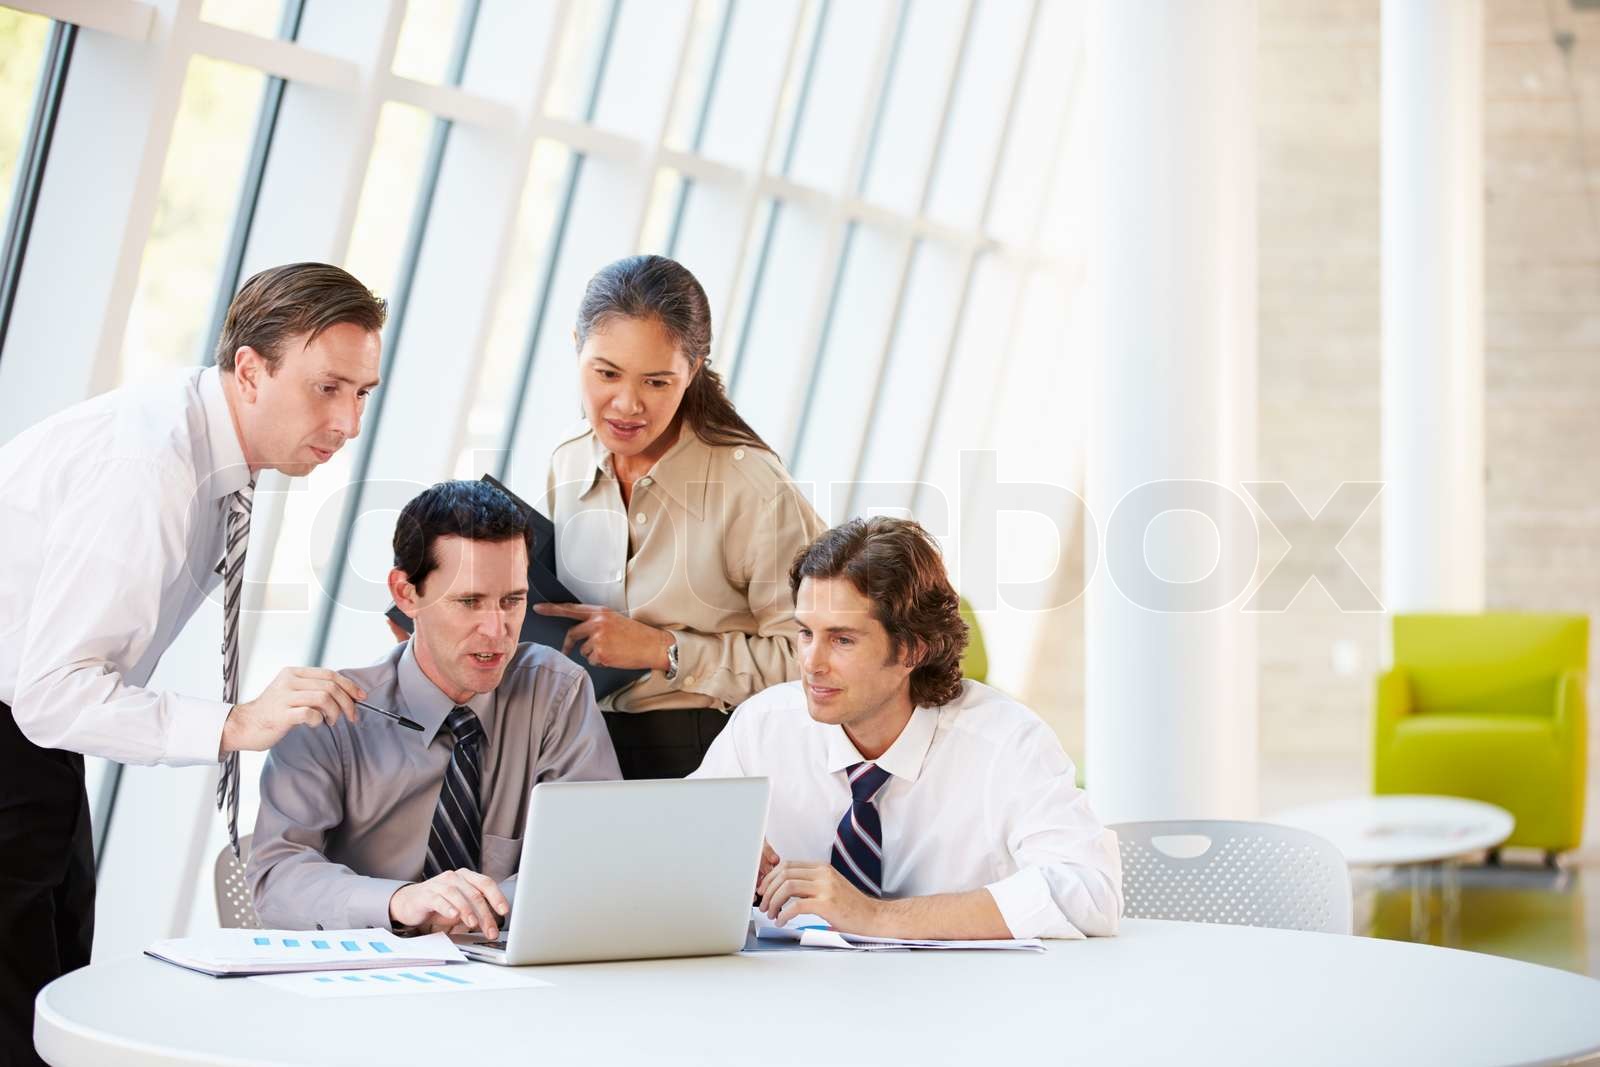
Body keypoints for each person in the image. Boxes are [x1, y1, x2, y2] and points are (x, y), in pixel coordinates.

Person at [0, 263, 386, 1062]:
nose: (348, 422)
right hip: (20, 734)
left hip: (38, 751)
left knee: (52, 994)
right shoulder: (149, 469)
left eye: (362, 394)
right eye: (327, 388)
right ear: (250, 370)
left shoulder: (213, 449)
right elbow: (51, 692)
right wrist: (236, 723)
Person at [693, 516, 1122, 941]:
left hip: (968, 983)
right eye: (806, 633)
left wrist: (873, 917)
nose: (811, 663)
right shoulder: (762, 727)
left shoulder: (1006, 742)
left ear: (912, 650)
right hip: (792, 980)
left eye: (842, 640)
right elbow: (676, 845)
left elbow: (1089, 892)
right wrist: (713, 857)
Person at [248, 481, 620, 937]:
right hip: (368, 968)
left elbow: (593, 854)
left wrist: (480, 908)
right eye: (469, 602)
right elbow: (276, 879)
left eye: (512, 601)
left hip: (509, 964)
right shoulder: (330, 715)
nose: (496, 630)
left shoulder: (555, 693)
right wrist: (400, 901)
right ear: (406, 594)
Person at [535, 255, 825, 780]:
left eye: (657, 382)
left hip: (706, 748)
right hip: (576, 739)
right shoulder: (568, 459)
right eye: (606, 373)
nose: (626, 404)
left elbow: (810, 660)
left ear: (693, 369)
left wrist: (664, 650)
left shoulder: (753, 488)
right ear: (576, 346)